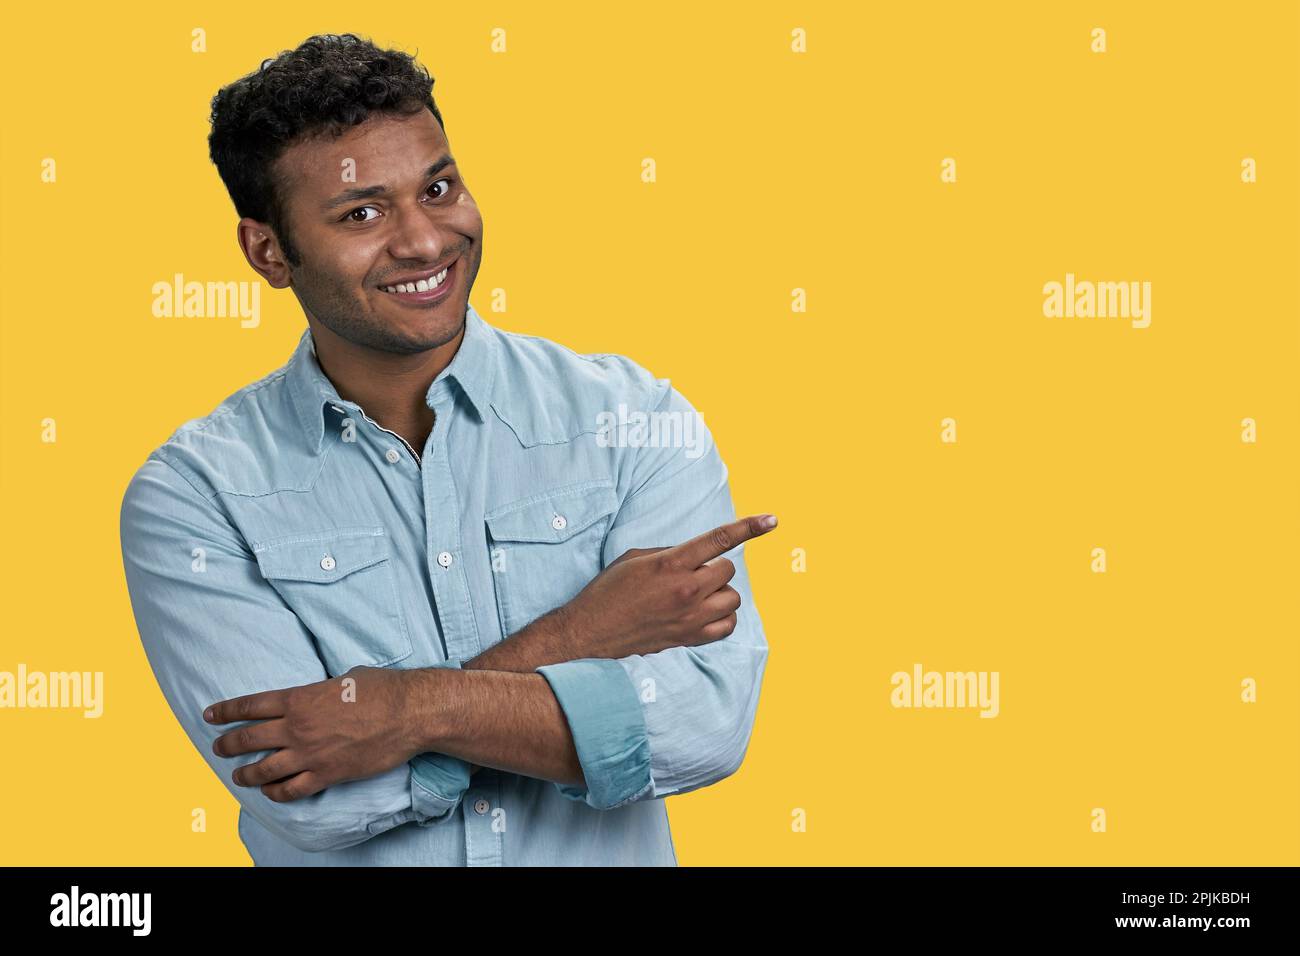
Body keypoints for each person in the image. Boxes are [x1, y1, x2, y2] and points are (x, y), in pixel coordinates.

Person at [119, 33, 774, 866]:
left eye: (439, 187)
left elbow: (702, 727)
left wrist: (397, 713)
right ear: (268, 252)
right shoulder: (195, 495)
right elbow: (314, 803)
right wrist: (584, 633)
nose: (426, 242)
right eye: (361, 213)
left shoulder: (635, 418)